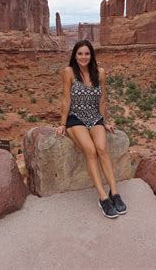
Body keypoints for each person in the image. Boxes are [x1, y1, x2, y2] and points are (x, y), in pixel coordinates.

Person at [56, 40, 127, 219]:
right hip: (75, 118)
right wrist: (62, 124)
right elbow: (66, 100)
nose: (83, 57)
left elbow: (102, 100)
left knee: (102, 149)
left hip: (95, 116)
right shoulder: (68, 72)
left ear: (91, 55)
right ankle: (103, 197)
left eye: (87, 54)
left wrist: (105, 121)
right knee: (90, 151)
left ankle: (115, 193)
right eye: (80, 54)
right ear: (74, 55)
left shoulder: (100, 73)